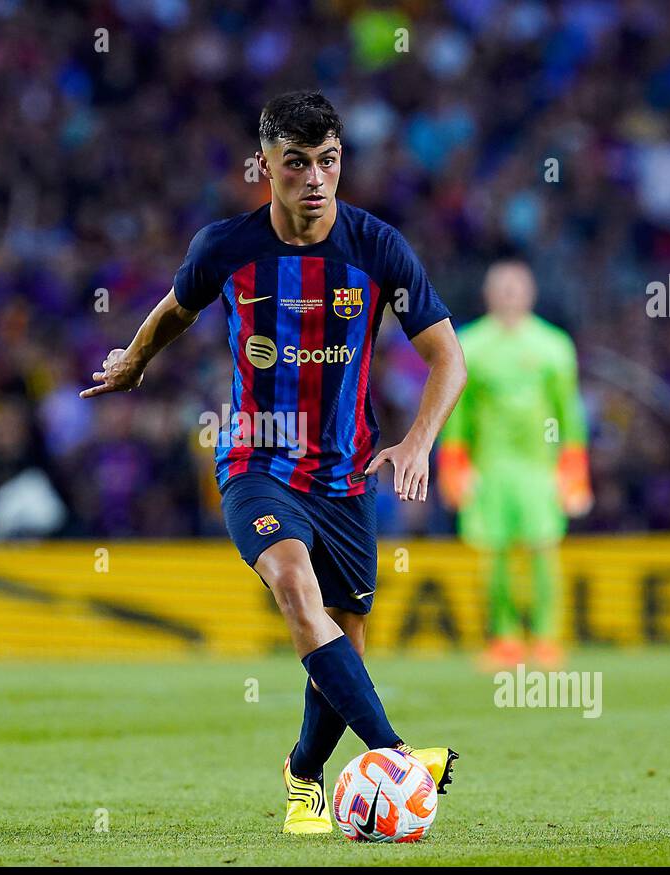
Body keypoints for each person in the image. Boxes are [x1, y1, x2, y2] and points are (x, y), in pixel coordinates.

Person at [82, 91, 466, 835]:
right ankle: (398, 758)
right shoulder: (226, 246)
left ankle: (303, 773)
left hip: (345, 477)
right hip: (256, 463)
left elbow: (448, 355)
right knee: (294, 586)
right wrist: (133, 359)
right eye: (297, 164)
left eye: (328, 161)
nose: (315, 179)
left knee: (341, 648)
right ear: (267, 166)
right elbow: (175, 308)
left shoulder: (378, 247)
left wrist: (419, 441)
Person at [437, 260, 592, 670]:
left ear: (530, 293)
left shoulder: (554, 346)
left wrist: (573, 467)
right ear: (488, 294)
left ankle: (545, 639)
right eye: (501, 287)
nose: (508, 295)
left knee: (543, 549)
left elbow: (567, 413)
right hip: (492, 467)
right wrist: (453, 464)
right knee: (496, 554)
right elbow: (458, 412)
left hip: (539, 466)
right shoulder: (469, 344)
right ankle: (504, 639)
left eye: (515, 287)